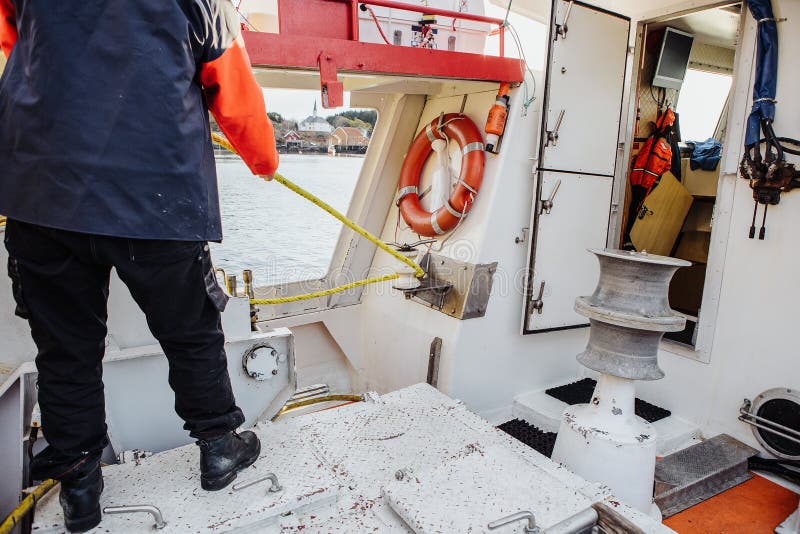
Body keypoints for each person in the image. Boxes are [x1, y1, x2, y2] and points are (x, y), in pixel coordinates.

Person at [0, 1, 278, 531]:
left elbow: (20, 50)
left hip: (42, 196)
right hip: (154, 195)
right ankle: (219, 447)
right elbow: (234, 94)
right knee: (190, 330)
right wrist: (264, 161)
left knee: (65, 347)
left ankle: (80, 487)